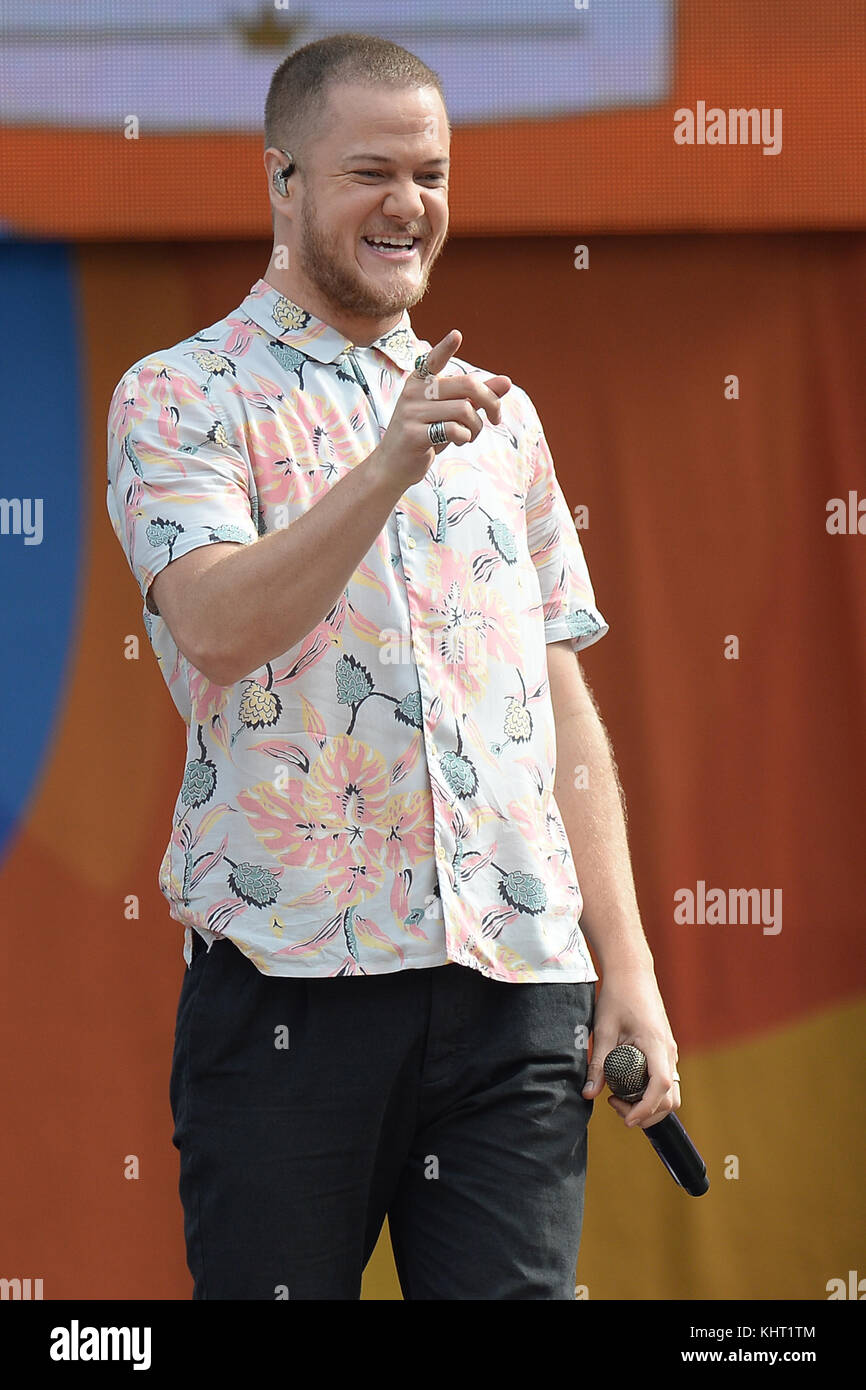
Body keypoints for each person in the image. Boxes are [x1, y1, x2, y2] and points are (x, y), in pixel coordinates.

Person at [106, 32, 680, 1301]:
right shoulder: (181, 395)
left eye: (430, 172)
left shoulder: (500, 417)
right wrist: (382, 468)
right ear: (282, 180)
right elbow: (212, 624)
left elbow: (558, 711)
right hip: (289, 998)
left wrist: (624, 968)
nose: (407, 203)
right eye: (369, 169)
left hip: (513, 993)